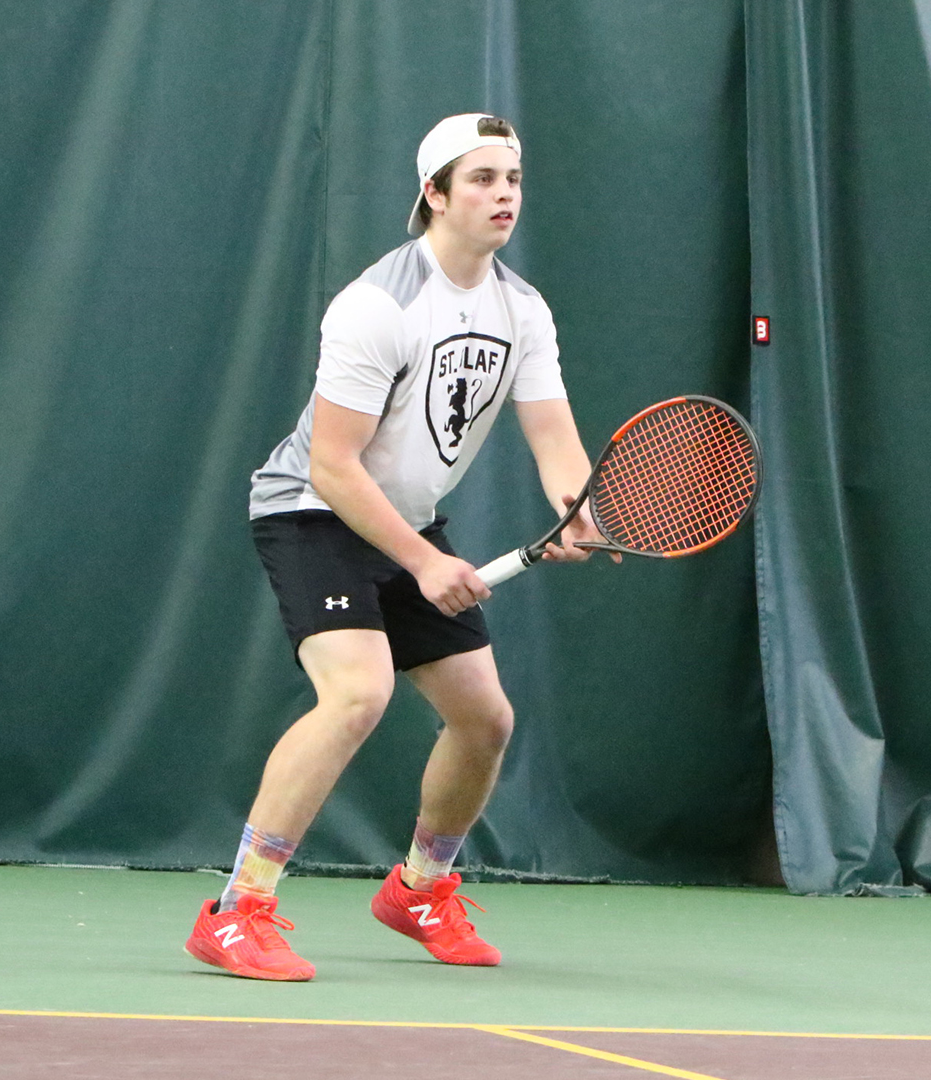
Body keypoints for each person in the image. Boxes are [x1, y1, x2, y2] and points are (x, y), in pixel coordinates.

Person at [185, 113, 608, 981]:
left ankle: (419, 889)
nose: (504, 197)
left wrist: (577, 510)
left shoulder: (522, 310)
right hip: (312, 513)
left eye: (513, 179)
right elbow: (336, 468)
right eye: (483, 179)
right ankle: (238, 910)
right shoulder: (376, 306)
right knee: (357, 693)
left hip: (408, 520)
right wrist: (422, 564)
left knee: (485, 719)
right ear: (435, 195)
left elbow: (556, 440)